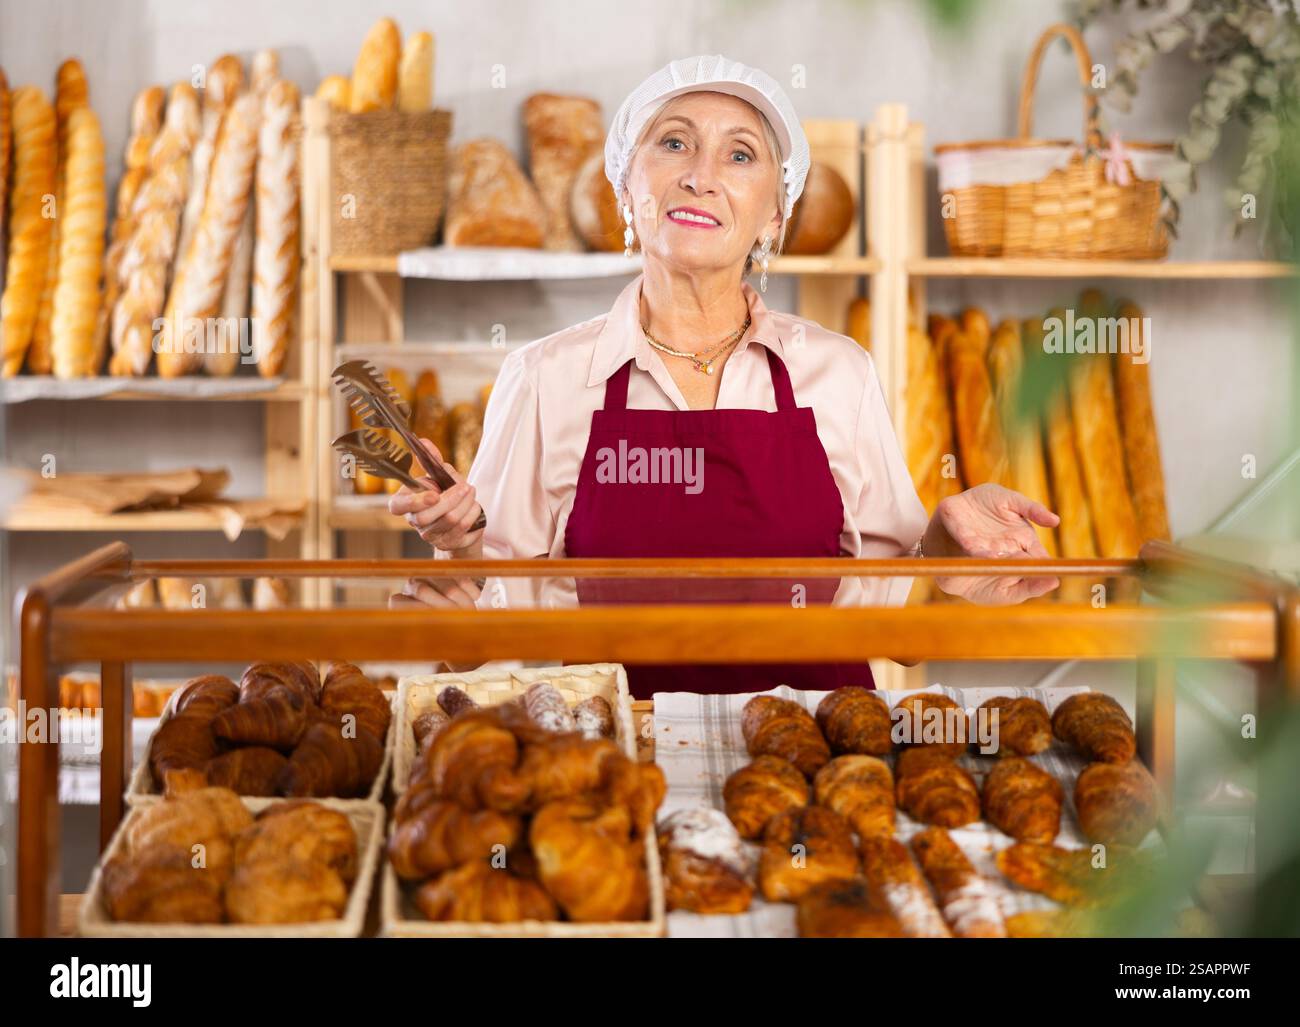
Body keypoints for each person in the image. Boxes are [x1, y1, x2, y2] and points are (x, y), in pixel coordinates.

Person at [389, 54, 1059, 698]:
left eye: (740, 155)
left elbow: (901, 634)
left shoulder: (837, 373)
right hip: (623, 784)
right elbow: (476, 643)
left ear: (774, 214)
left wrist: (943, 546)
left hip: (812, 780)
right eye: (673, 144)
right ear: (627, 185)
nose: (700, 176)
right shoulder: (545, 378)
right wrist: (459, 556)